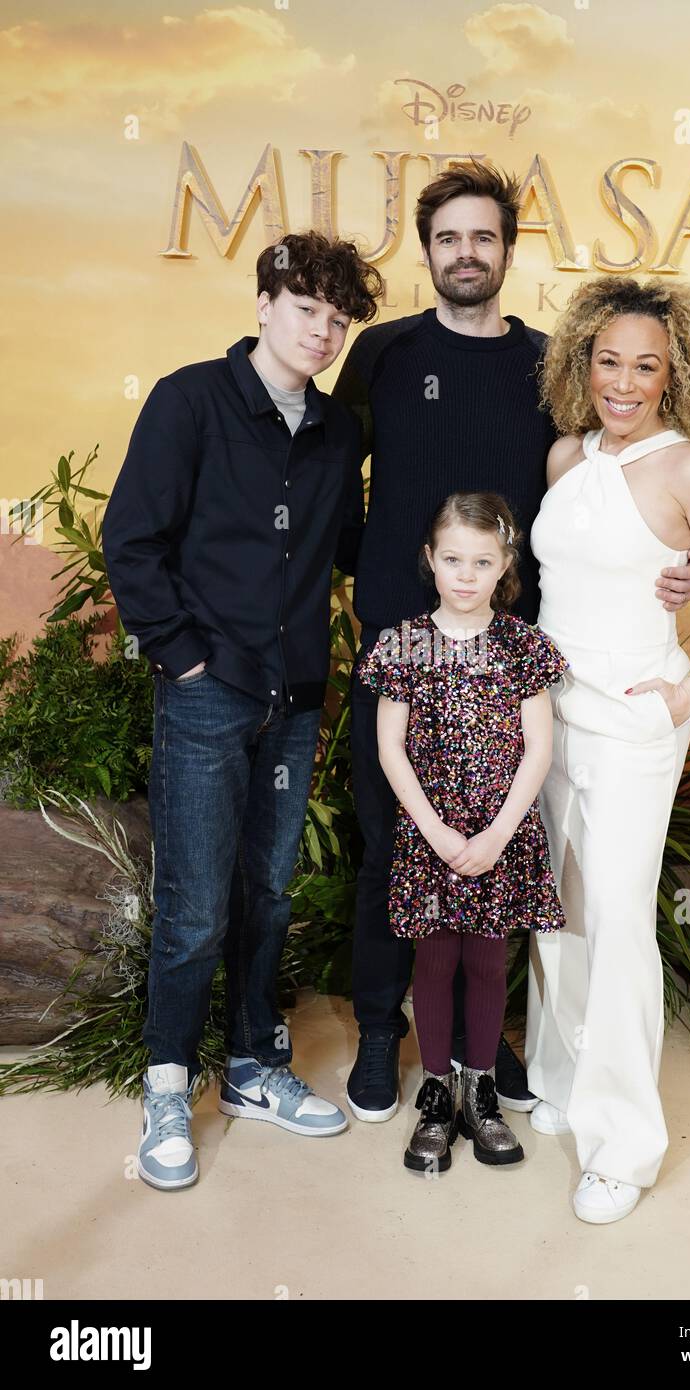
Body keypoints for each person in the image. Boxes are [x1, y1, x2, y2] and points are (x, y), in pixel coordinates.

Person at [332, 158, 690, 1125]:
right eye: (449, 237)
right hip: (404, 650)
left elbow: (601, 488)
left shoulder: (549, 366)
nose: (467, 252)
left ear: (508, 250)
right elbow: (333, 476)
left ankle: (491, 1043)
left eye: (484, 236)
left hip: (515, 664)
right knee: (393, 847)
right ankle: (385, 1036)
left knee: (506, 856)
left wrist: (685, 555)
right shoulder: (381, 353)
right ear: (429, 251)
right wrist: (356, 580)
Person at [102, 230, 384, 1190]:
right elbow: (131, 539)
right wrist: (182, 661)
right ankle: (170, 1083)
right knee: (192, 907)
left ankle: (257, 1067)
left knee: (267, 892)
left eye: (338, 320)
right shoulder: (190, 399)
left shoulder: (337, 431)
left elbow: (347, 546)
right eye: (307, 309)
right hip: (209, 694)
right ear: (264, 303)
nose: (323, 332)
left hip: (297, 697)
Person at [525, 275, 690, 1223]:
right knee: (556, 903)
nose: (624, 383)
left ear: (676, 376)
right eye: (609, 362)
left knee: (623, 919)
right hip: (548, 711)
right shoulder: (564, 458)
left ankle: (623, 1151)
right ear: (582, 363)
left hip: (635, 723)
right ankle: (559, 1082)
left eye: (646, 366)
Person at [357, 493, 569, 1171]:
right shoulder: (404, 643)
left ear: (506, 565)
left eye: (482, 561)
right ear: (431, 560)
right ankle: (435, 1095)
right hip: (432, 834)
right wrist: (439, 834)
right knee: (435, 961)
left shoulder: (522, 645)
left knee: (485, 959)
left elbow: (540, 748)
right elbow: (390, 747)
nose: (466, 575)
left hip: (499, 833)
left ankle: (481, 1090)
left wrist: (498, 835)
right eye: (453, 559)